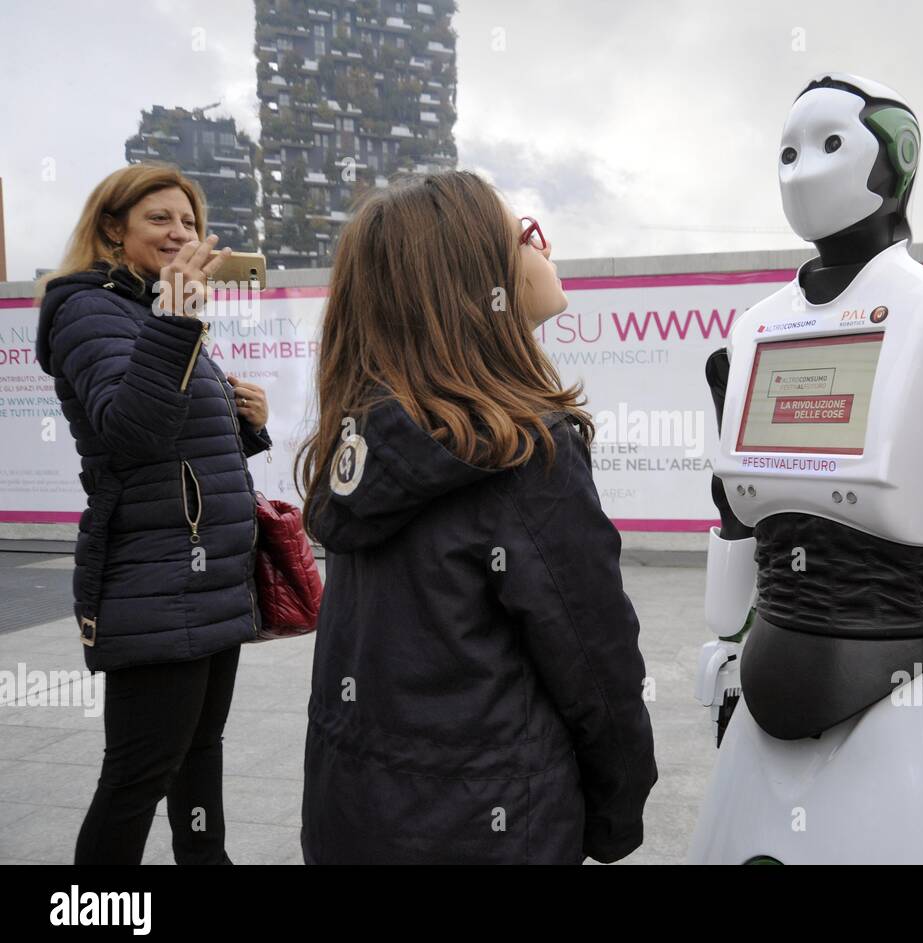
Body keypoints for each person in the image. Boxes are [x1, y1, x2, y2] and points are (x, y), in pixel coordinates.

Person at [296, 170, 657, 864]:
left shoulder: (366, 443)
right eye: (523, 233)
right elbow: (598, 668)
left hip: (356, 822)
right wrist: (614, 820)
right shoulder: (525, 453)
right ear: (477, 281)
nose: (541, 246)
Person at [34, 162, 272, 864]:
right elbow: (127, 433)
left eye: (191, 222)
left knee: (200, 758)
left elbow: (176, 435)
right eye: (160, 218)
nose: (181, 233)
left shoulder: (152, 307)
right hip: (154, 581)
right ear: (113, 228)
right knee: (138, 776)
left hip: (210, 575)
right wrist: (177, 317)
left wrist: (245, 423)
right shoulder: (84, 309)